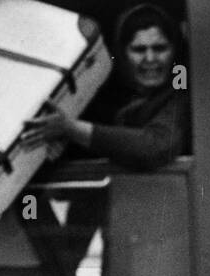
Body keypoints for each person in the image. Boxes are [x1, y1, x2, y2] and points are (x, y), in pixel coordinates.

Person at [20, 3, 191, 171]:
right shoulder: (101, 96)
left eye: (160, 48)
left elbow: (155, 146)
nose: (150, 58)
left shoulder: (180, 96)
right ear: (122, 55)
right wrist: (60, 145)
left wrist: (71, 128)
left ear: (174, 51)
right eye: (139, 50)